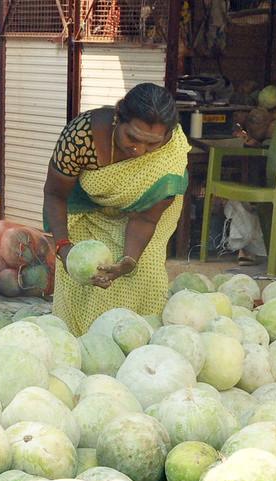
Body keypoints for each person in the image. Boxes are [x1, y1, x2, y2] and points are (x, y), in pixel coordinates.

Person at [43, 82, 190, 335]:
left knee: (145, 273)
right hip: (89, 208)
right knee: (83, 278)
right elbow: (55, 194)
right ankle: (83, 339)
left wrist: (129, 261)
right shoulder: (81, 137)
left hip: (145, 215)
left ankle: (140, 341)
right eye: (132, 137)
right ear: (118, 116)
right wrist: (64, 248)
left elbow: (145, 220)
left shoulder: (169, 159)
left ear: (167, 137)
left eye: (151, 144)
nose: (139, 150)